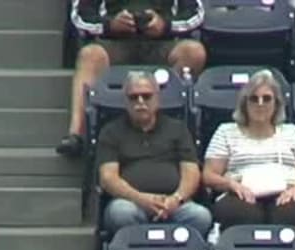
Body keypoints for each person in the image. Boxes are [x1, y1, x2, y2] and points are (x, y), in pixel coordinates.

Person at [58, 0, 208, 157]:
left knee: (194, 52)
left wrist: (165, 25)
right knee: (90, 55)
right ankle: (77, 134)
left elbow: (195, 15)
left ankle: (173, 129)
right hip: (113, 43)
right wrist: (110, 25)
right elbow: (80, 17)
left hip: (164, 43)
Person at [201, 69, 295, 234]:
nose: (260, 104)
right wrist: (231, 185)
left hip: (287, 193)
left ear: (276, 103)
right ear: (244, 103)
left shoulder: (293, 132)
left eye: (267, 99)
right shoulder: (226, 132)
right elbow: (209, 175)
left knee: (292, 215)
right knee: (242, 215)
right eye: (254, 98)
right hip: (240, 194)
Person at [95, 71, 213, 238]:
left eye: (146, 96)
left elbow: (191, 172)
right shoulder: (111, 131)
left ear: (157, 98)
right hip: (131, 203)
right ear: (125, 102)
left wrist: (176, 199)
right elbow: (108, 178)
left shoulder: (177, 128)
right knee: (120, 213)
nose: (140, 102)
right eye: (133, 97)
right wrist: (141, 199)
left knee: (200, 216)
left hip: (174, 204)